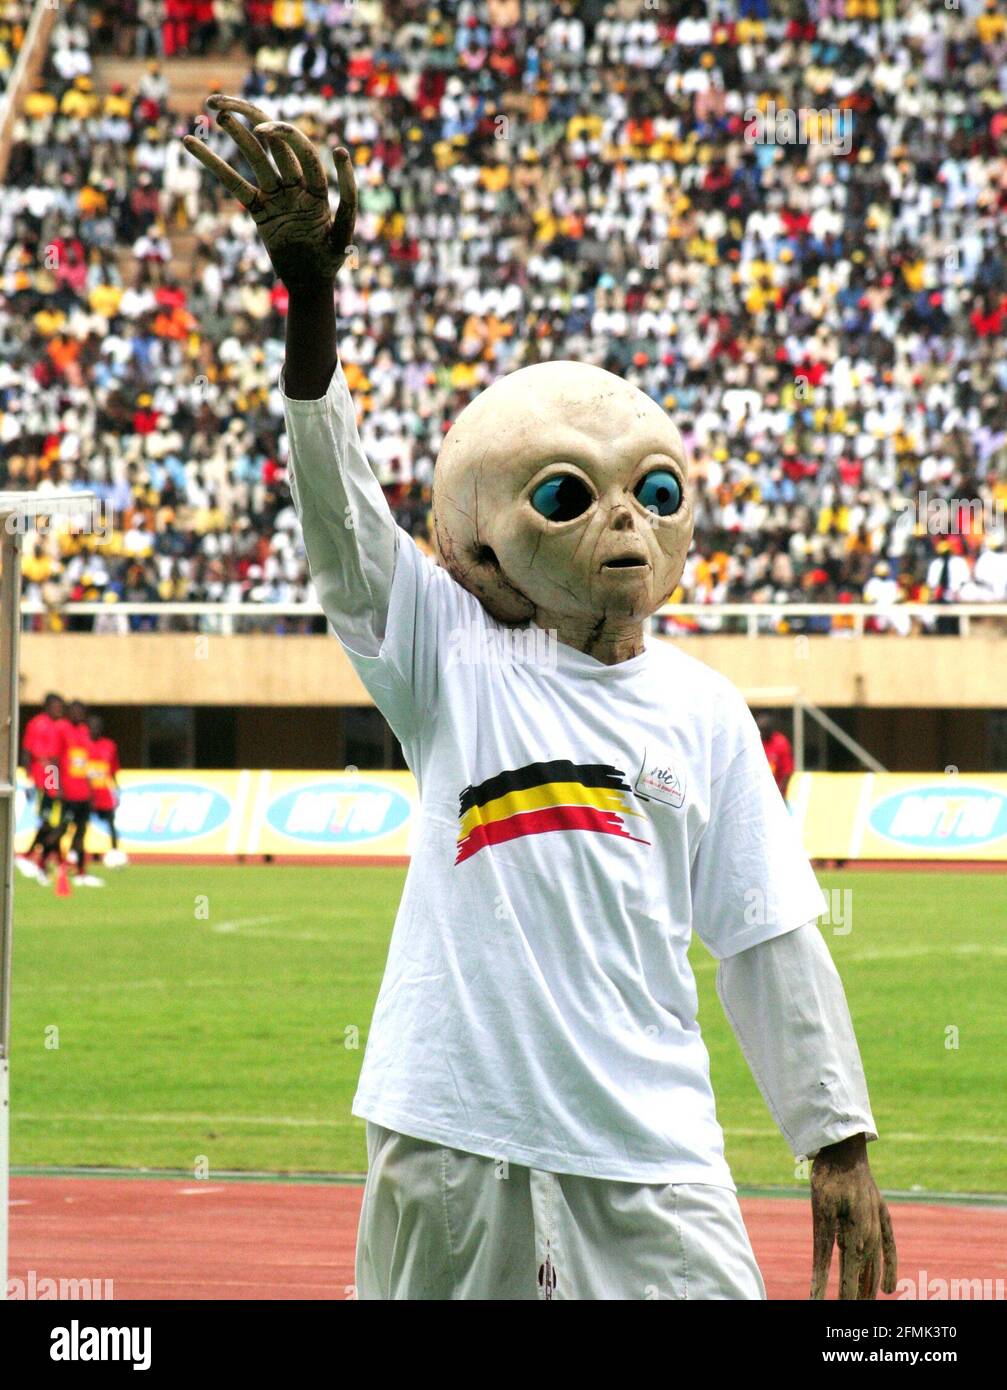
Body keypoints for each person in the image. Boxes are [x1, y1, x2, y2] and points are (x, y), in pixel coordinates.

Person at [183, 100, 897, 1302]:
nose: (621, 520)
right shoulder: (448, 655)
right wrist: (312, 307)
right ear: (477, 538)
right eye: (569, 497)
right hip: (450, 1131)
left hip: (649, 1149)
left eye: (648, 492)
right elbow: (342, 525)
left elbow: (765, 932)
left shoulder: (703, 711)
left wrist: (837, 1138)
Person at [38, 699, 104, 888]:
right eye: (74, 711)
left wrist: (92, 791)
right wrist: (54, 786)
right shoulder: (61, 729)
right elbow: (53, 759)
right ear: (69, 712)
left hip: (83, 793)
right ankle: (41, 864)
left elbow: (87, 764)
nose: (78, 715)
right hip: (67, 792)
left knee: (81, 833)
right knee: (59, 830)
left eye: (81, 712)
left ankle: (81, 872)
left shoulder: (84, 732)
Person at [16, 692, 65, 882]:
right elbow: (27, 749)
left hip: (53, 772)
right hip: (42, 773)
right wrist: (28, 776)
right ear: (48, 706)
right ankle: (38, 861)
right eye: (56, 706)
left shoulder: (60, 726)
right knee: (47, 821)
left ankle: (34, 858)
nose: (59, 710)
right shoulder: (37, 723)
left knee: (50, 822)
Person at [87, 715, 127, 868]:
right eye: (92, 726)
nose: (94, 729)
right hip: (86, 791)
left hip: (104, 792)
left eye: (97, 726)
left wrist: (116, 789)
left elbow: (114, 768)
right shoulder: (82, 745)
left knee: (110, 822)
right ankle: (77, 852)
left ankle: (115, 850)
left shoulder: (109, 745)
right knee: (81, 823)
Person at [756, 712, 795, 799]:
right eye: (760, 729)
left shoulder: (781, 743)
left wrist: (779, 793)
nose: (762, 732)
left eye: (764, 729)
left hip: (777, 792)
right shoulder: (755, 742)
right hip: (759, 793)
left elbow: (787, 771)